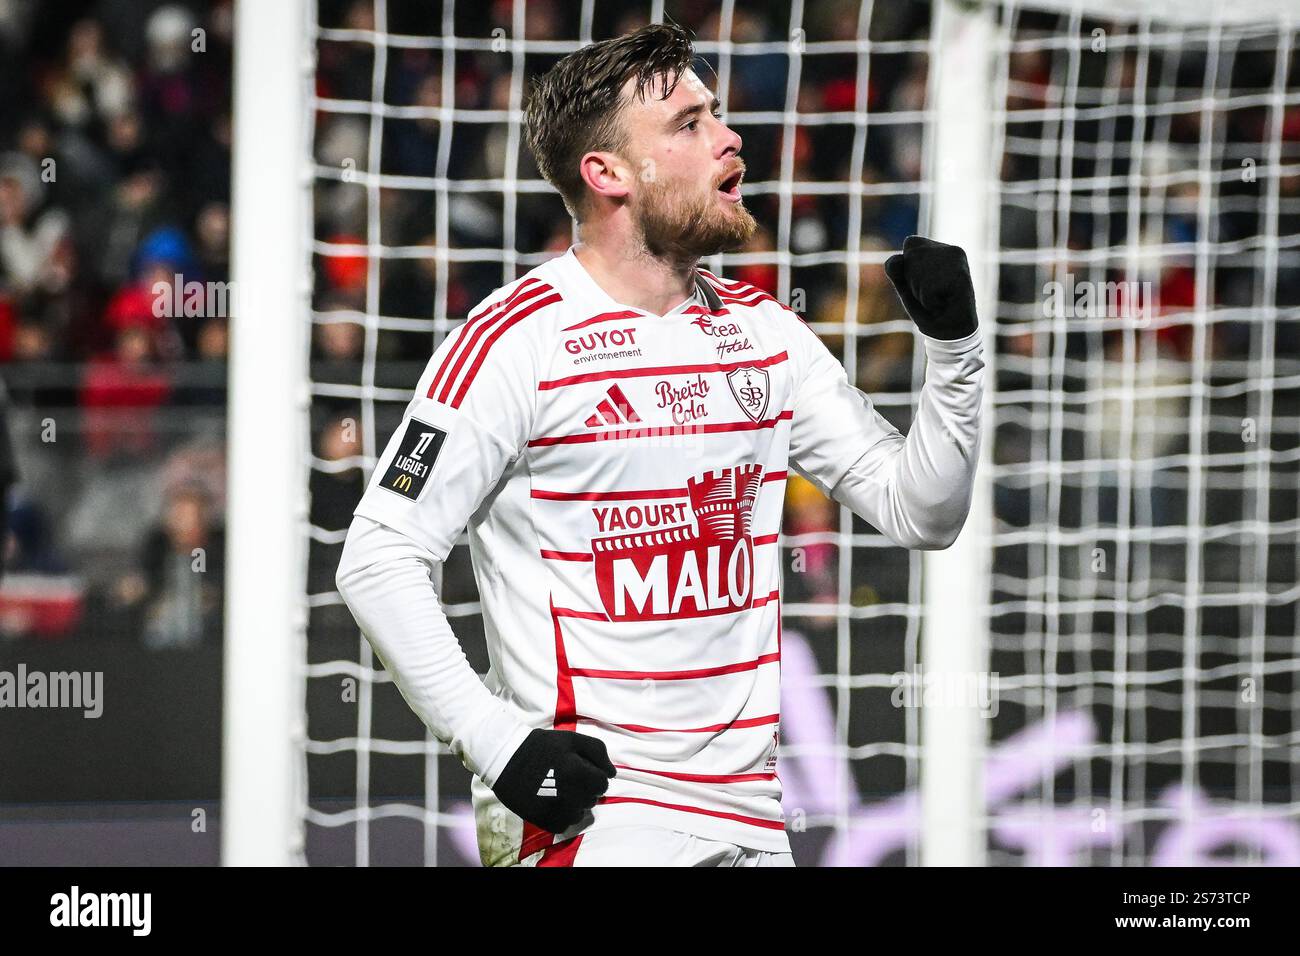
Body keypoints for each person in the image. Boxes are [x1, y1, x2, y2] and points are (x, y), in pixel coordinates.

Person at [335, 23, 985, 867]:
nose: (729, 136)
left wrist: (956, 352)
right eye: (689, 124)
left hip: (753, 816)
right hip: (596, 817)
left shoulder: (765, 334)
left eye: (715, 114)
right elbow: (378, 555)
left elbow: (920, 510)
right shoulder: (513, 340)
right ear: (607, 174)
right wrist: (498, 745)